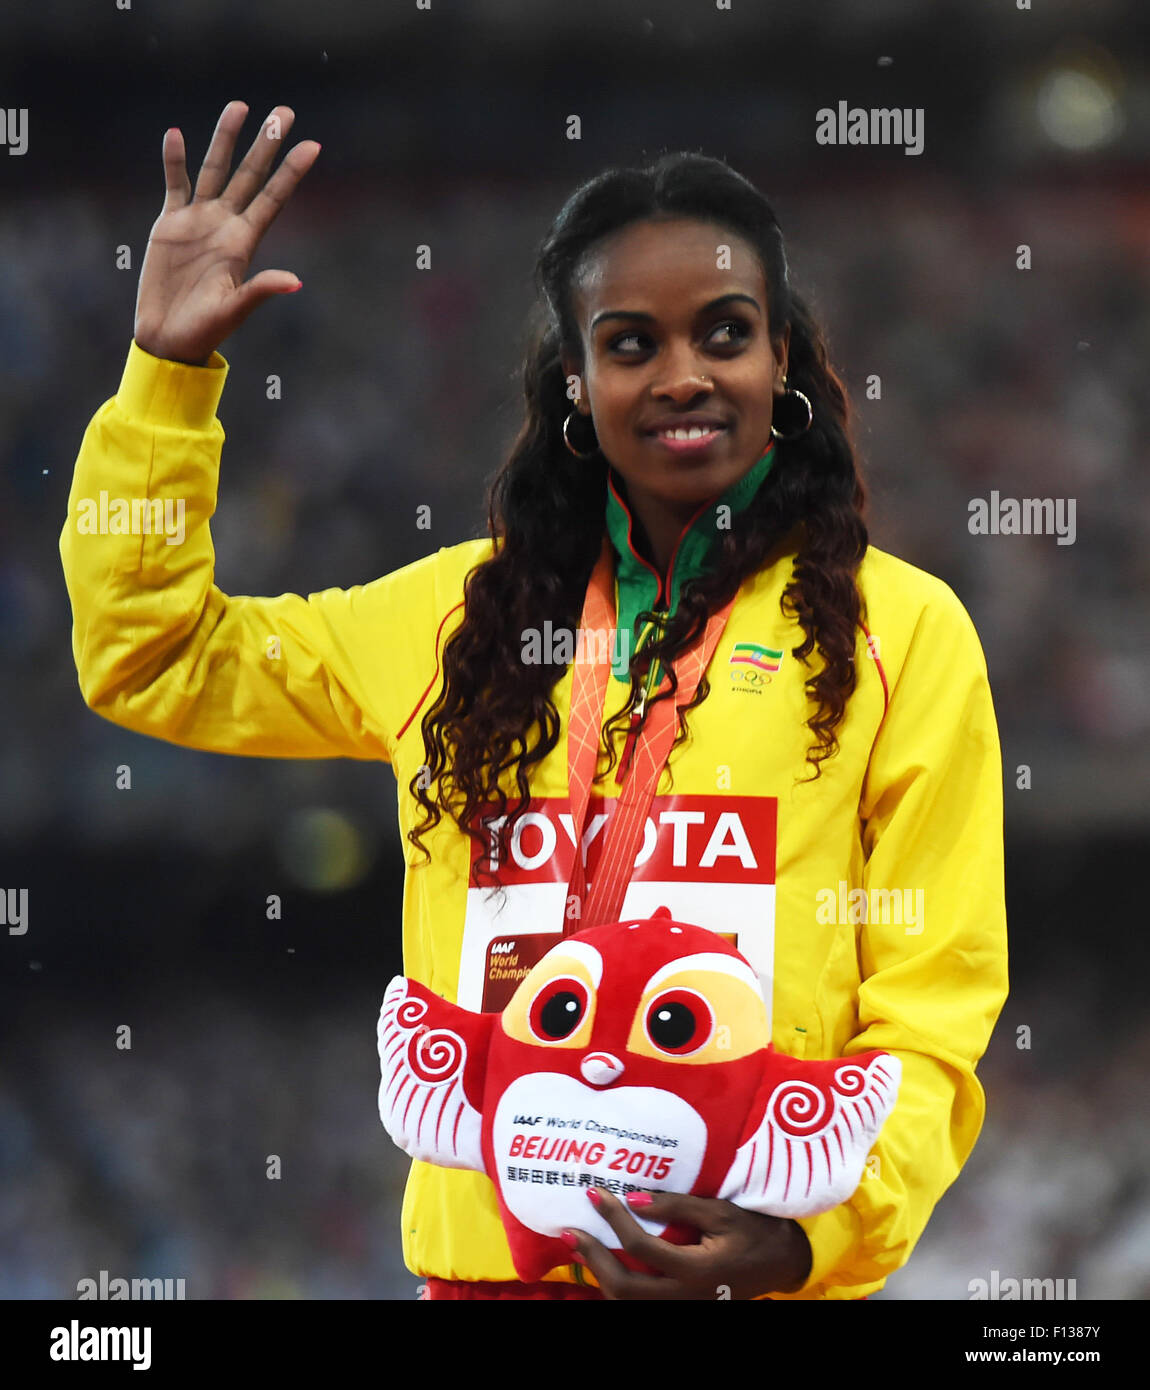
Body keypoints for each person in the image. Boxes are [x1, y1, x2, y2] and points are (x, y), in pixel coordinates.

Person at [59, 100, 1008, 1301]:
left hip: (761, 1281)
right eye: (630, 344)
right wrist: (167, 378)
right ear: (576, 379)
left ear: (782, 358)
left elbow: (933, 1003)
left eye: (724, 334)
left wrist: (811, 1238)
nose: (683, 376)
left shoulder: (900, 633)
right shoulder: (451, 622)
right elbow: (152, 654)